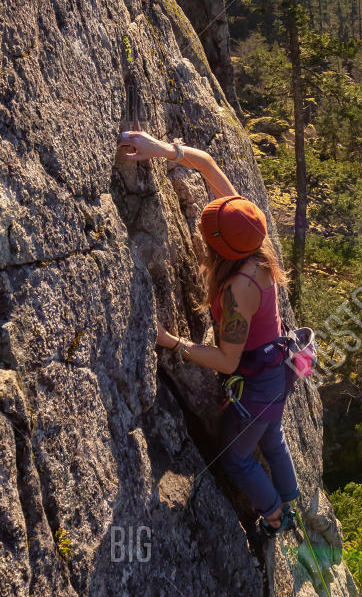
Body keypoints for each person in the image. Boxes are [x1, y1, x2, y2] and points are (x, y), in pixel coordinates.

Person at [117, 130, 300, 537]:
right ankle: (291, 496)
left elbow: (227, 361)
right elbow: (209, 166)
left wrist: (174, 344)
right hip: (277, 368)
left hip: (256, 382)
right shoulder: (252, 235)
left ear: (218, 247)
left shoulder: (239, 291)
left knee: (236, 457)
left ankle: (274, 515)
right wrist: (164, 150)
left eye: (205, 229)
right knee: (272, 433)